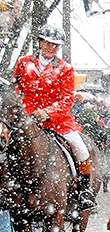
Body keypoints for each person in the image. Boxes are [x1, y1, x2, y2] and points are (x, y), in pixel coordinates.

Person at [13, 24, 96, 210]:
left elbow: (67, 99)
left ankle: (84, 192)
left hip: (58, 121)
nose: (52, 48)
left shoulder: (66, 69)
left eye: (56, 45)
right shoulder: (24, 63)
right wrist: (27, 112)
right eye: (48, 43)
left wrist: (47, 112)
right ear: (40, 42)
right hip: (28, 120)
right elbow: (17, 92)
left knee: (82, 149)